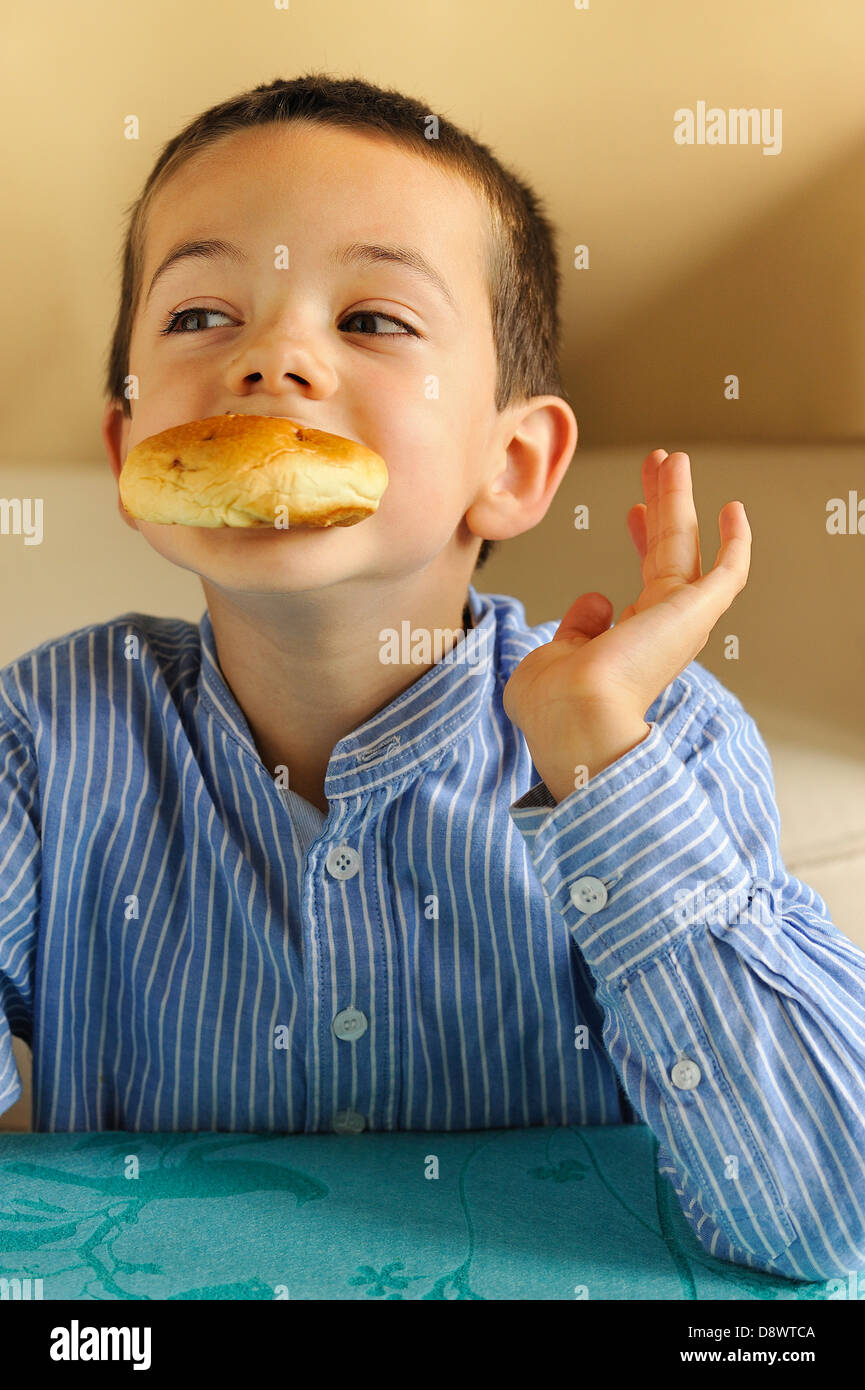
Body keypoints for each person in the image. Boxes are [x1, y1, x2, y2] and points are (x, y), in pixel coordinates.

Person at [1, 73, 863, 1285]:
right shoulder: (40, 742)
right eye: (201, 315)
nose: (273, 359)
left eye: (371, 320)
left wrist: (601, 756)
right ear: (131, 448)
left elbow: (823, 1215)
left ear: (510, 464)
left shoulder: (660, 745)